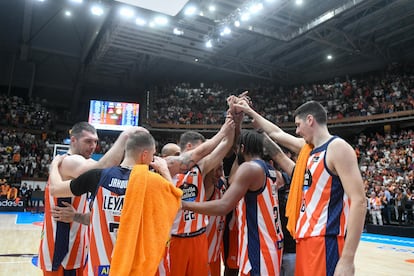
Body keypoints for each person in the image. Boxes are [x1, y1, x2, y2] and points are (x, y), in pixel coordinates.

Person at [234, 99, 367, 276]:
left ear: (310, 120)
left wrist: (347, 259)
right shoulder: (309, 149)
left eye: (298, 125)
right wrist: (250, 112)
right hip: (304, 240)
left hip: (325, 240)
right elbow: (276, 133)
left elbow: (359, 200)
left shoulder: (337, 148)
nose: (297, 131)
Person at [48, 130, 180, 275]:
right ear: (144, 155)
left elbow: (55, 189)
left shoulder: (97, 176)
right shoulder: (153, 182)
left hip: (100, 266)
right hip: (132, 266)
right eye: (153, 155)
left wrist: (54, 165)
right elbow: (177, 203)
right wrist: (164, 170)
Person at [38, 122, 145, 275]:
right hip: (62, 245)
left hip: (78, 244)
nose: (93, 146)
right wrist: (125, 136)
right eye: (88, 141)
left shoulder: (82, 163)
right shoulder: (69, 161)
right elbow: (104, 167)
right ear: (73, 140)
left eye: (95, 141)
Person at [182, 129, 284, 276]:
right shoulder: (270, 170)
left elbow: (223, 206)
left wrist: (184, 205)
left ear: (242, 149)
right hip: (271, 244)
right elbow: (233, 181)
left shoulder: (249, 168)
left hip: (258, 248)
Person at [166, 115, 235, 276]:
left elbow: (226, 144)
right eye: (202, 147)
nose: (205, 152)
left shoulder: (201, 167)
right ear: (190, 147)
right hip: (174, 238)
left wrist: (233, 116)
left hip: (198, 237)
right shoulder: (167, 165)